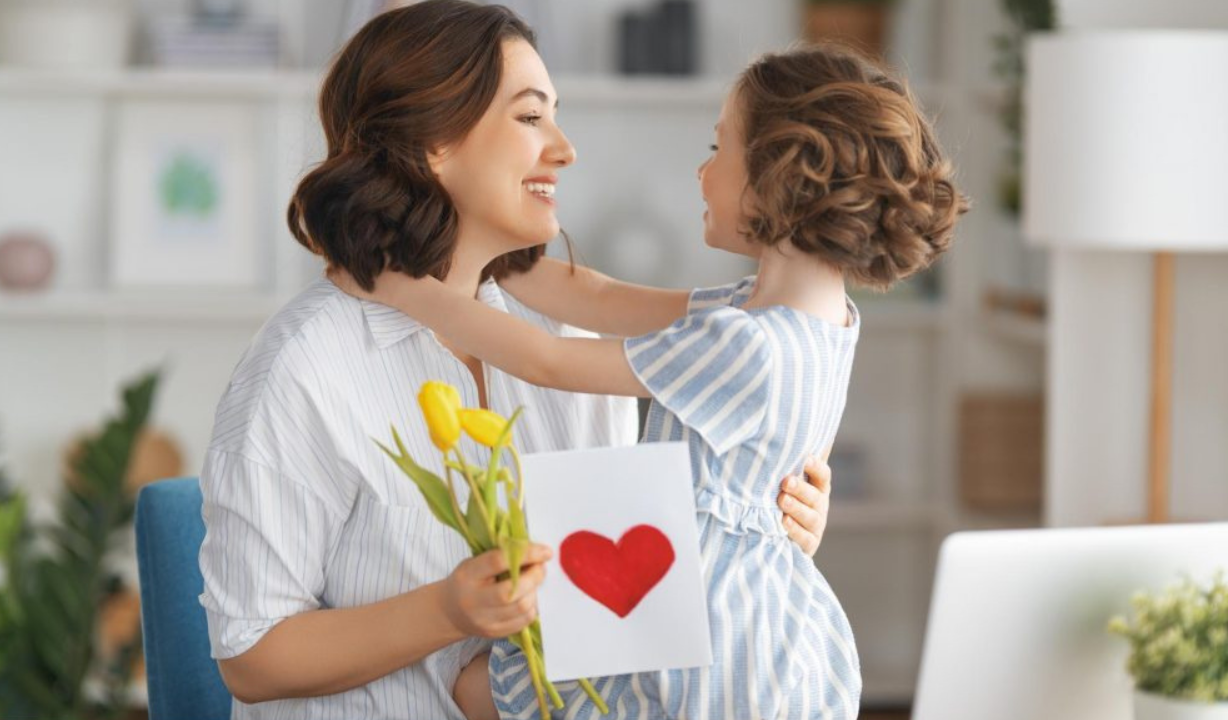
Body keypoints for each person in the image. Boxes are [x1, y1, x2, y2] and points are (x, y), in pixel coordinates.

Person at [196, 3, 833, 719]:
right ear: (435, 139)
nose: (564, 149)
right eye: (532, 118)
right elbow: (251, 659)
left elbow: (618, 611)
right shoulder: (305, 365)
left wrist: (757, 524)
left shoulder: (572, 340)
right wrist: (447, 610)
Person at [335, 39, 968, 720]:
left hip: (706, 626)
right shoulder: (799, 320)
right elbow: (602, 300)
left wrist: (409, 290)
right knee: (482, 686)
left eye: (718, 148)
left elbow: (546, 361)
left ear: (780, 175)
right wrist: (489, 248)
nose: (702, 172)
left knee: (476, 687)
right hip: (728, 607)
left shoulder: (745, 344)